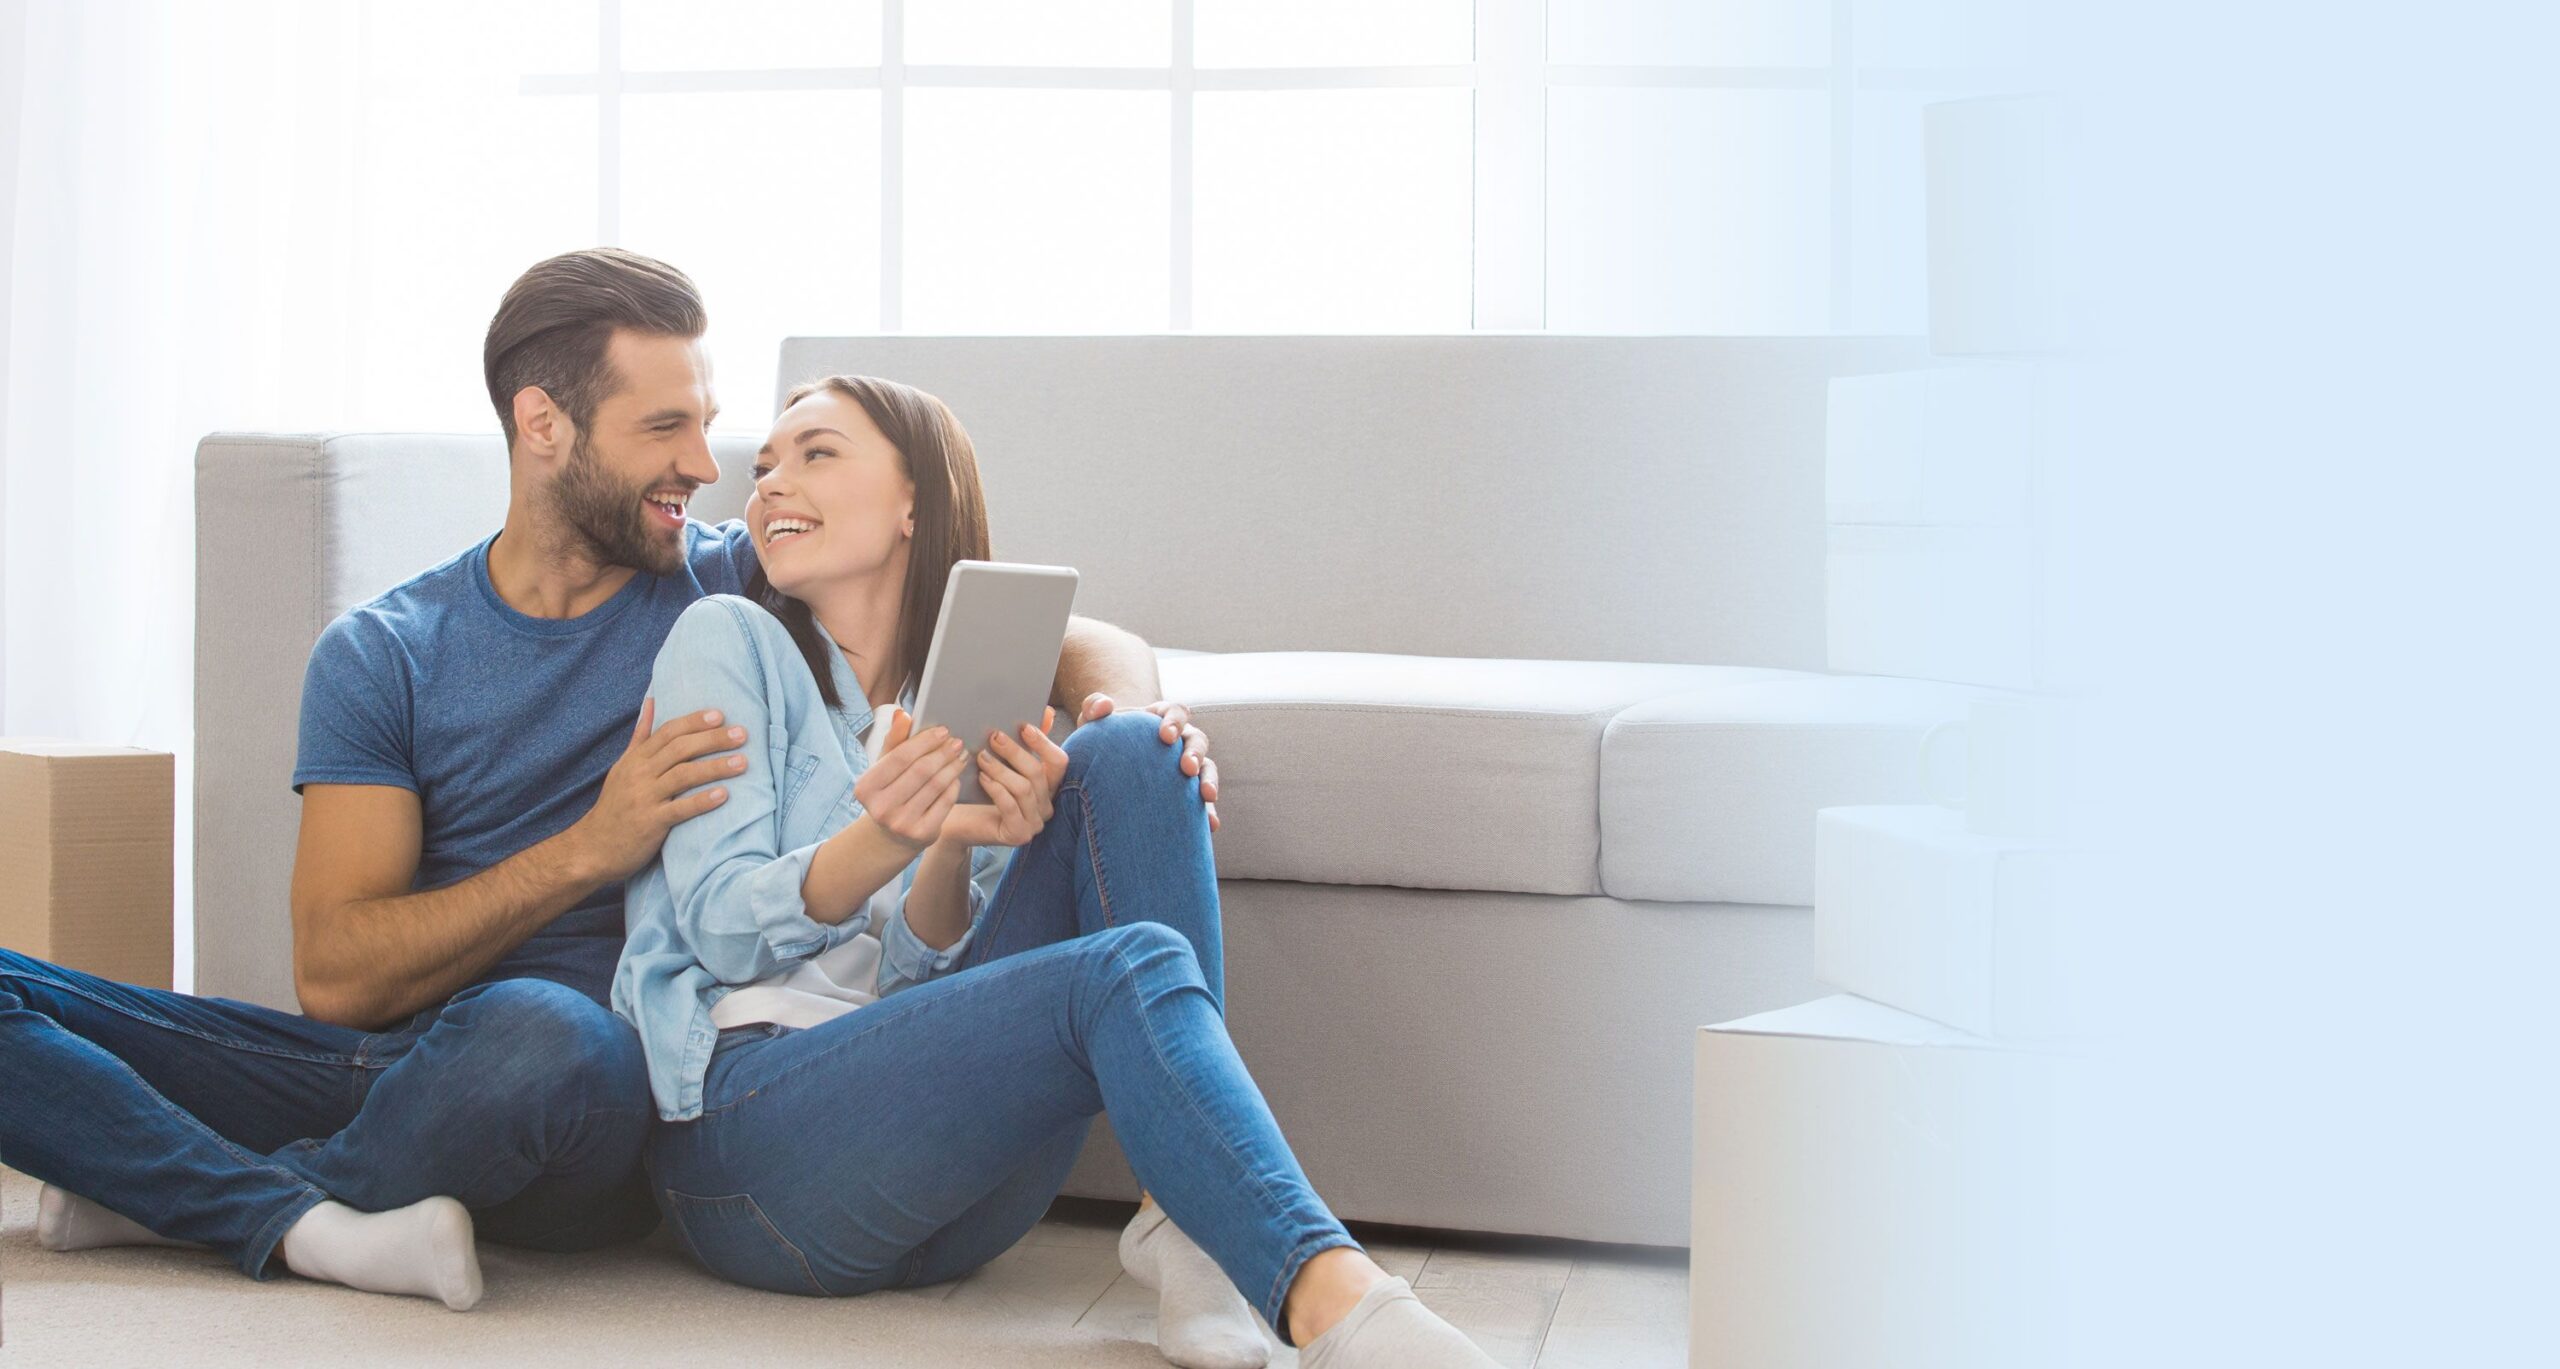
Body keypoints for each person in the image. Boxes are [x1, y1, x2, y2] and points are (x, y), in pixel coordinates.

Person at [0, 248, 1216, 1311]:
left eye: (706, 421)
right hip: (422, 1063)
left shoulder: (727, 576)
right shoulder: (386, 652)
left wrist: (1140, 706)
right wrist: (592, 843)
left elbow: (1044, 628)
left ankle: (175, 1182)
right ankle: (272, 1203)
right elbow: (338, 975)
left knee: (551, 1037)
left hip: (597, 1083)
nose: (708, 462)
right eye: (664, 429)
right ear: (544, 426)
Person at [615, 375, 1496, 1369]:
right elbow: (720, 926)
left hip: (953, 1190)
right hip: (752, 1155)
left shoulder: (970, 689)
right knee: (1122, 966)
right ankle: (1339, 1306)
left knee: (1133, 750)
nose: (771, 483)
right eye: (765, 464)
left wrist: (951, 841)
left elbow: (923, 991)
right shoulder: (727, 639)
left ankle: (1184, 1217)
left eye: (816, 452)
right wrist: (886, 839)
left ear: (917, 498)